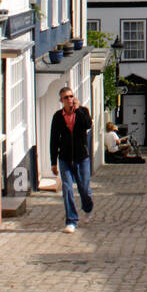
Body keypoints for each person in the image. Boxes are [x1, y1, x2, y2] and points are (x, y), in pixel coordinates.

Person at [49, 85, 93, 233]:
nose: (69, 99)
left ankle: (88, 208)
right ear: (61, 100)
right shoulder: (57, 117)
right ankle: (71, 220)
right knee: (67, 188)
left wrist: (79, 109)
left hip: (82, 157)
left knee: (84, 189)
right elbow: (54, 139)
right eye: (66, 97)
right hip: (65, 158)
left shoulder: (82, 112)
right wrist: (53, 162)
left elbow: (88, 125)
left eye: (71, 96)